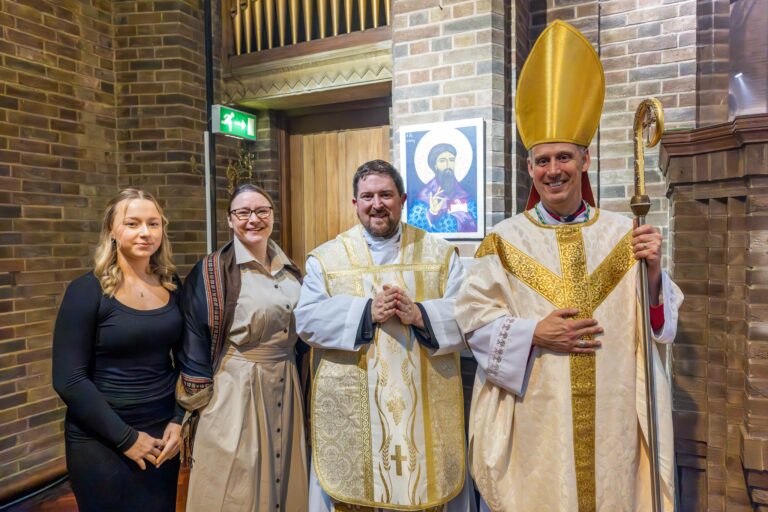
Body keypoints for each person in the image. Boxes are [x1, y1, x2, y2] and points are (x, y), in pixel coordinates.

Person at [455, 20, 683, 512]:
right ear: (531, 167)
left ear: (584, 160)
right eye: (541, 161)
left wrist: (654, 275)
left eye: (563, 157)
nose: (552, 170)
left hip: (613, 423)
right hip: (537, 423)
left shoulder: (625, 235)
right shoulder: (502, 242)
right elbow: (472, 322)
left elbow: (658, 328)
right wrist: (534, 333)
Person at [296, 159, 476, 512]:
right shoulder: (327, 258)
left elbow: (469, 316)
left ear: (403, 199)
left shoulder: (440, 255)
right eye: (367, 196)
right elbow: (306, 319)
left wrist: (420, 314)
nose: (376, 204)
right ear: (355, 203)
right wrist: (366, 312)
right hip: (355, 414)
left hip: (423, 415)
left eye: (385, 195)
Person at [176, 184, 307, 512]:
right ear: (230, 220)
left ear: (272, 216)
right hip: (235, 388)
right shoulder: (211, 272)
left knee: (286, 473)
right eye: (243, 213)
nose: (253, 219)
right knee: (236, 481)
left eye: (262, 211)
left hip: (286, 381)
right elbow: (192, 333)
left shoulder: (291, 269)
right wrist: (198, 398)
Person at [52, 189, 183, 512]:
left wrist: (180, 421)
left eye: (153, 224)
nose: (145, 232)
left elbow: (185, 361)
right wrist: (126, 439)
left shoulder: (171, 283)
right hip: (102, 438)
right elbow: (68, 379)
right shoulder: (87, 290)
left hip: (161, 436)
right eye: (133, 223)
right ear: (112, 230)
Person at [409, 143, 478, 233]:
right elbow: (412, 228)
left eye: (451, 160)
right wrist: (432, 213)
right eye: (442, 161)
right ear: (435, 165)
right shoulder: (423, 196)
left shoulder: (464, 194)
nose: (448, 165)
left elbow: (477, 223)